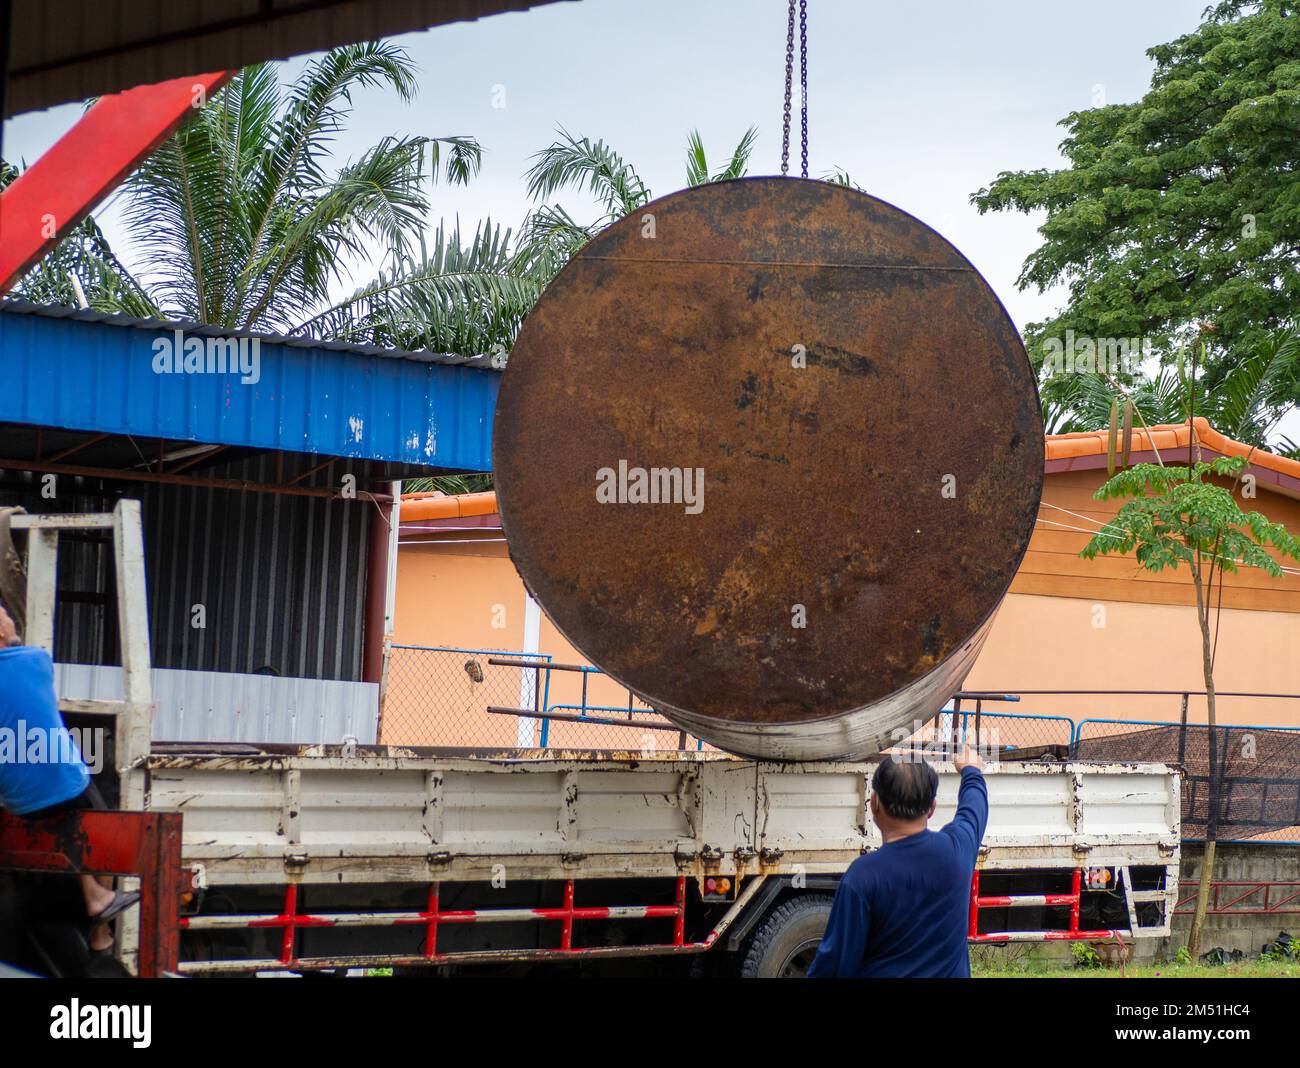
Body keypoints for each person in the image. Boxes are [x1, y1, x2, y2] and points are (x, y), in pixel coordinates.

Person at [0, 600, 138, 952]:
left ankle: (90, 894)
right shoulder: (34, 661)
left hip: (19, 803)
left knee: (61, 825)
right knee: (103, 832)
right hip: (63, 790)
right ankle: (98, 925)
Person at [807, 741, 988, 978]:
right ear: (932, 808)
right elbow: (973, 809)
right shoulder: (956, 851)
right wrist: (971, 770)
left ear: (874, 804)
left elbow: (834, 966)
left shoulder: (862, 876)